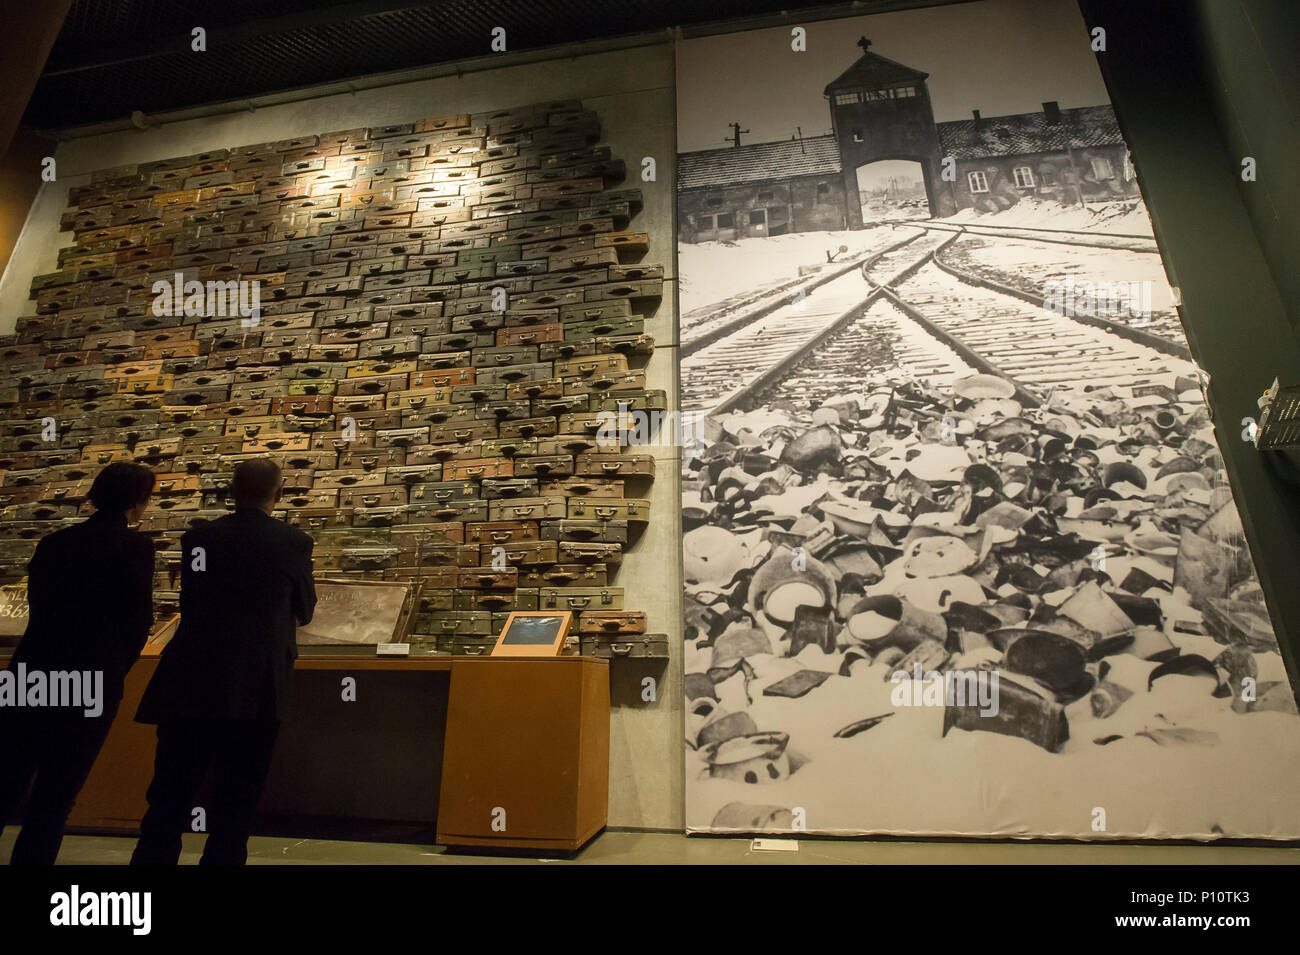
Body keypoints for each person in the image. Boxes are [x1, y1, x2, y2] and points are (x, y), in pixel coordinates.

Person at [131, 458, 315, 865]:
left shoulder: (199, 540)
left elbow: (191, 601)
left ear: (230, 493)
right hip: (257, 686)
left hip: (191, 680)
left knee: (170, 792)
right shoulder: (295, 542)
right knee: (238, 795)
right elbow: (305, 610)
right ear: (279, 495)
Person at [0, 461, 157, 865]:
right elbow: (137, 624)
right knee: (55, 796)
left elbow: (40, 610)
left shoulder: (54, 543)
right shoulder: (136, 547)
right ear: (138, 500)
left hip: (31, 671)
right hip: (89, 679)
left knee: (7, 782)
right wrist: (109, 673)